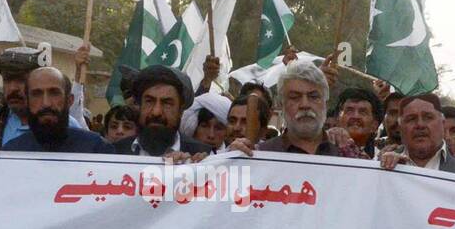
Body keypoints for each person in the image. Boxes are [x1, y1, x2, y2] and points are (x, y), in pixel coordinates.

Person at [228, 60, 363, 158]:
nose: (305, 104)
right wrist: (232, 160)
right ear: (281, 104)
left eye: (313, 96)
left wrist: (384, 161)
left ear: (325, 102)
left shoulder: (347, 153)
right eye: (295, 97)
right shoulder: (259, 154)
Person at [2, 67, 115, 154]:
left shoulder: (96, 148)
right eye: (36, 94)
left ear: (69, 100)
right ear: (26, 100)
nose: (46, 103)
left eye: (54, 93)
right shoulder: (12, 151)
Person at [378, 93, 455, 177]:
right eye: (411, 119)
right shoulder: (380, 163)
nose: (420, 125)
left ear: (442, 124)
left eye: (428, 117)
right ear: (401, 127)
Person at [114, 65, 211, 158]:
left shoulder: (201, 155)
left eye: (167, 103)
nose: (156, 112)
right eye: (149, 101)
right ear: (140, 105)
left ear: (180, 111)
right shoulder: (115, 152)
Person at [334, 86, 383, 157]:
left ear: (374, 125)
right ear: (338, 119)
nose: (355, 116)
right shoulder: (321, 149)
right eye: (349, 111)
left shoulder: (380, 159)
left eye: (363, 112)